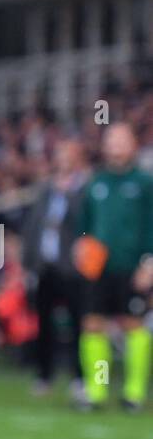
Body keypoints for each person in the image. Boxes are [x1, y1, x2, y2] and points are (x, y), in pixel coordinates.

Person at [73, 122, 153, 411]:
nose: (116, 145)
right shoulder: (96, 182)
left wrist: (149, 262)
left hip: (132, 266)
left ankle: (134, 393)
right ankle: (96, 391)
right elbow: (84, 224)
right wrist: (81, 245)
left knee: (133, 324)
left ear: (133, 144)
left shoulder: (144, 182)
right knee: (93, 324)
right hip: (98, 268)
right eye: (111, 140)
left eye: (122, 140)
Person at [20, 138, 87, 399]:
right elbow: (33, 226)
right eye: (59, 153)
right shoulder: (46, 189)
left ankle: (80, 376)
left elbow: (84, 222)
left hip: (72, 266)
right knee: (44, 324)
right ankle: (44, 375)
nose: (63, 159)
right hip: (45, 265)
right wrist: (28, 263)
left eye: (67, 154)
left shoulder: (84, 188)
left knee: (78, 323)